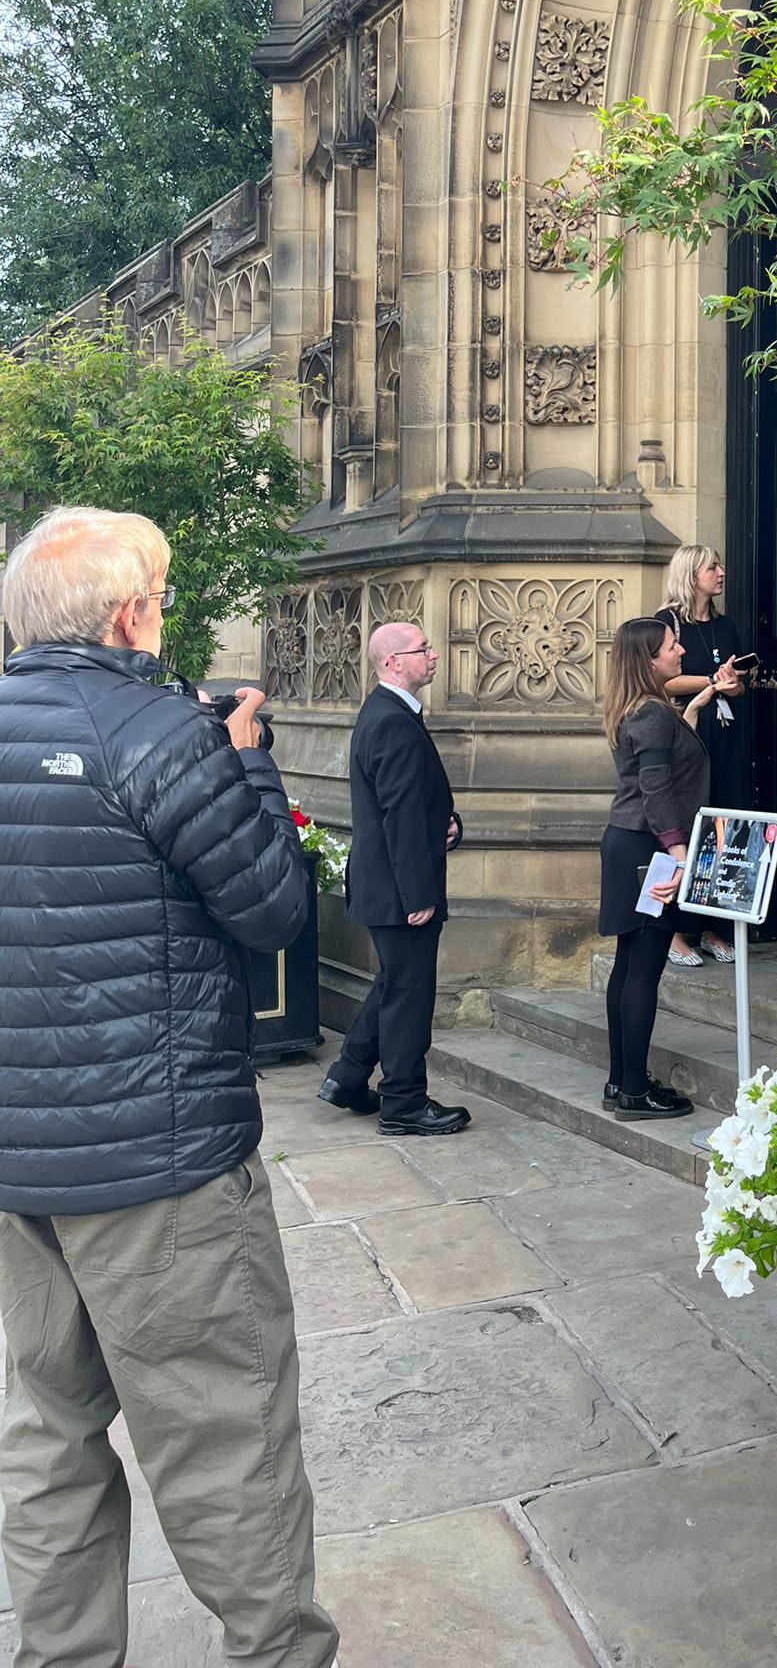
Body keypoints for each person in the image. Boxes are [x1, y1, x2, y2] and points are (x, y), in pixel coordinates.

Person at [0, 506, 339, 1668]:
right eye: (160, 596)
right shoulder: (155, 731)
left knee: (47, 1436)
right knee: (226, 1438)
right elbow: (273, 909)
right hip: (163, 1161)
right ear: (128, 613)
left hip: (22, 1165)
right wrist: (246, 757)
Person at [319, 622, 470, 1137]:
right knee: (410, 994)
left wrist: (445, 823)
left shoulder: (389, 712)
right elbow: (399, 816)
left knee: (394, 983)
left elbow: (412, 804)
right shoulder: (391, 719)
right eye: (422, 649)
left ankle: (347, 1077)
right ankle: (403, 1102)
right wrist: (417, 895)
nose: (433, 655)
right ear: (393, 662)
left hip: (388, 883)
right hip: (398, 889)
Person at [600, 617, 723, 1120]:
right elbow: (655, 788)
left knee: (629, 962)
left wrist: (692, 710)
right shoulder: (651, 713)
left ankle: (620, 1080)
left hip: (630, 843)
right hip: (649, 850)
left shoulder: (641, 707)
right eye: (672, 646)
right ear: (649, 660)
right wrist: (679, 854)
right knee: (643, 969)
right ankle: (634, 1091)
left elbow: (663, 763)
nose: (681, 651)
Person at [655, 545, 746, 968]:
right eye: (713, 567)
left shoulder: (725, 626)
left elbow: (739, 687)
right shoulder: (667, 622)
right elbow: (661, 681)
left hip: (724, 735)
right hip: (688, 732)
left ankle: (711, 926)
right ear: (692, 575)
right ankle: (673, 930)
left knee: (722, 828)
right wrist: (710, 680)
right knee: (685, 825)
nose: (721, 572)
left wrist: (730, 683)